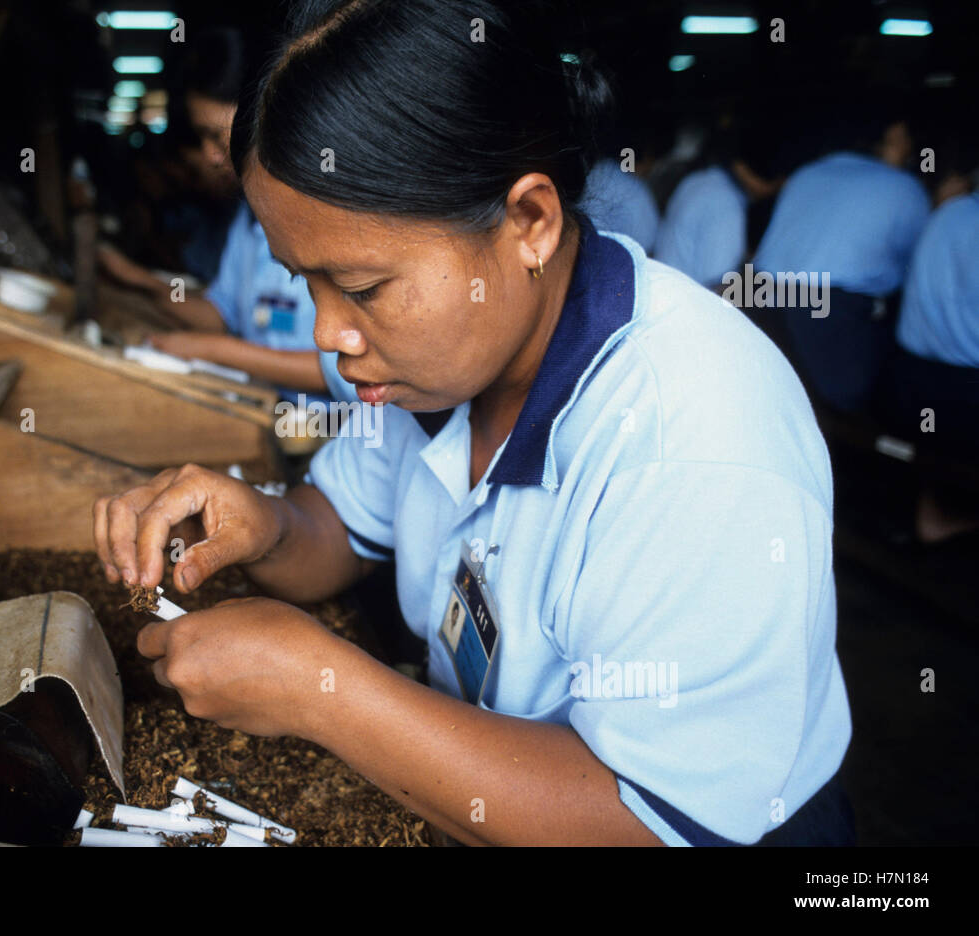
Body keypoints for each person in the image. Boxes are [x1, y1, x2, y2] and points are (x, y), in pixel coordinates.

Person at [94, 0, 852, 846]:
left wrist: (320, 687)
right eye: (303, 280)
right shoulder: (434, 373)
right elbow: (341, 526)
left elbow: (647, 819)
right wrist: (265, 525)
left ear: (529, 222)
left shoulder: (694, 438)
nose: (326, 335)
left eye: (363, 287)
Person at [97, 28, 326, 398]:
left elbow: (347, 371)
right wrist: (139, 282)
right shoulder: (248, 218)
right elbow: (221, 314)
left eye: (215, 135)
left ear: (263, 118)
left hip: (325, 430)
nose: (209, 155)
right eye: (200, 137)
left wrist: (213, 350)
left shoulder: (328, 215)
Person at [752, 114, 931, 412]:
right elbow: (919, 269)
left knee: (772, 399)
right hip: (827, 309)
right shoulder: (904, 187)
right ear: (887, 142)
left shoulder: (808, 173)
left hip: (757, 295)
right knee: (840, 410)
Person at [880, 189, 979, 543]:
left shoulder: (948, 212)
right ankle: (939, 520)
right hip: (962, 408)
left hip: (907, 388)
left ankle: (933, 510)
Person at [653, 120, 784, 291]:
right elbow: (719, 285)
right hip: (689, 306)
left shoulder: (698, 180)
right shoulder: (726, 203)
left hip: (667, 293)